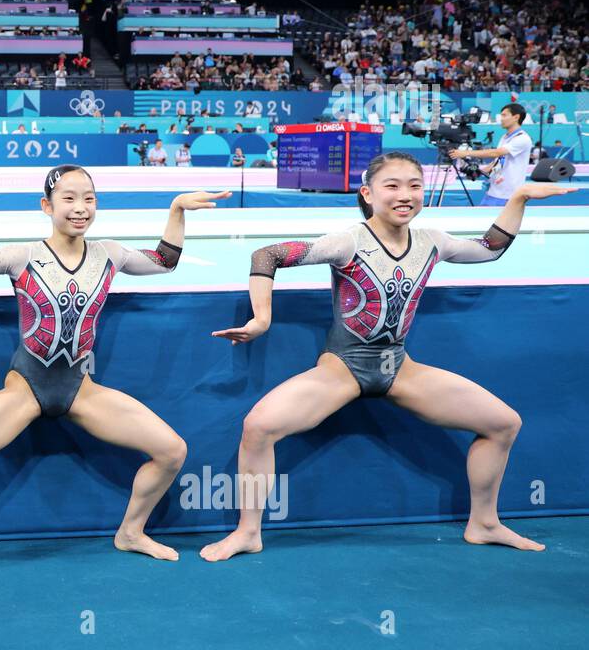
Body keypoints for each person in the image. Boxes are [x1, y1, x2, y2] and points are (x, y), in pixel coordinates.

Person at [203, 151, 576, 562]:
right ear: (368, 193)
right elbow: (267, 255)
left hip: (399, 367)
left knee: (503, 423)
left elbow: (490, 248)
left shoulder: (432, 241)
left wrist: (519, 197)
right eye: (392, 186)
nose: (405, 195)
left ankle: (484, 523)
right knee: (259, 427)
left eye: (414, 186)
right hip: (344, 367)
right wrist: (261, 319)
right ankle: (248, 532)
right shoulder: (349, 241)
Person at [0, 165, 230, 573]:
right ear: (46, 206)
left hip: (79, 388)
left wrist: (176, 209)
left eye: (89, 198)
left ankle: (131, 532)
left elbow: (164, 260)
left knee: (172, 451)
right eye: (69, 198)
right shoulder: (22, 257)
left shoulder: (109, 254)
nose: (80, 208)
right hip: (26, 388)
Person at [449, 102, 533, 207]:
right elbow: (498, 161)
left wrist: (464, 153)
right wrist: (479, 172)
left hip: (509, 195)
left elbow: (495, 153)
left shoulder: (522, 138)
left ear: (516, 117)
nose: (501, 119)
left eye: (504, 115)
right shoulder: (505, 137)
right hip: (493, 191)